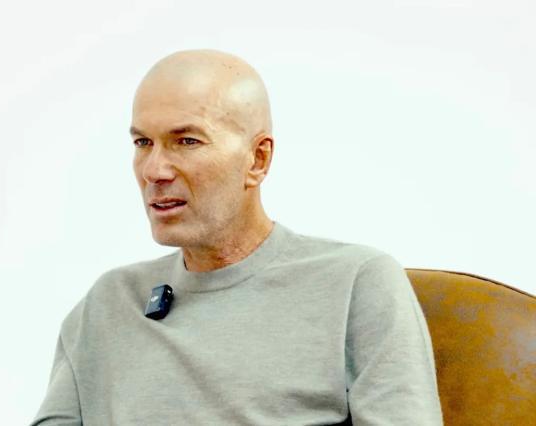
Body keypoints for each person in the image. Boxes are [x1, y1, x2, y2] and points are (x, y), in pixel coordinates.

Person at [30, 48, 443, 425]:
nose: (154, 170)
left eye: (186, 141)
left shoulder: (356, 283)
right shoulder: (109, 303)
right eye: (143, 142)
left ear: (257, 159)